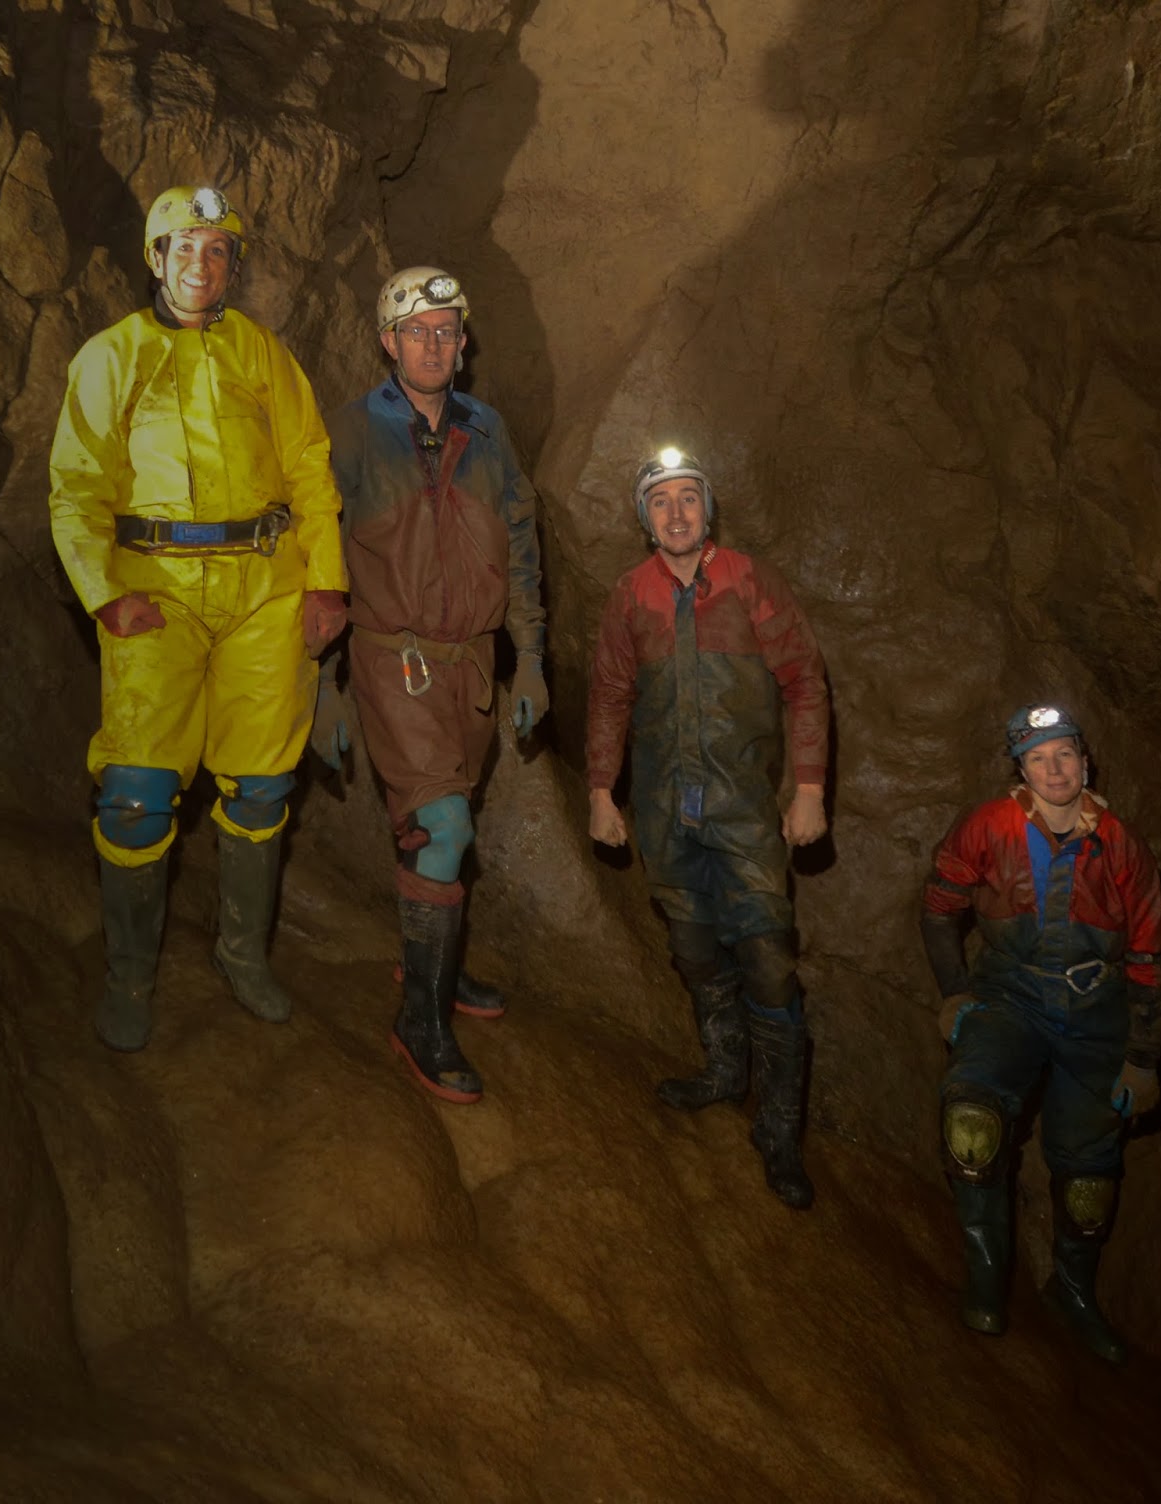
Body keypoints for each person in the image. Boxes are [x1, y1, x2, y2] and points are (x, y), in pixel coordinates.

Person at [49, 185, 347, 1052]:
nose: (201, 265)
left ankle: (242, 957)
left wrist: (325, 584)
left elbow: (309, 468)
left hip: (264, 588)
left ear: (232, 268)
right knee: (139, 797)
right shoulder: (112, 357)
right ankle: (130, 973)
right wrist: (106, 593)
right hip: (158, 590)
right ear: (156, 258)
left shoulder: (263, 354)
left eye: (217, 251)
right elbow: (76, 487)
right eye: (184, 248)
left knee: (260, 788)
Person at [317, 265, 546, 1105]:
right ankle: (420, 1018)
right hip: (392, 656)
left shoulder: (487, 431)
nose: (434, 344)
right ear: (388, 342)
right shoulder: (348, 431)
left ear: (463, 342)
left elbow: (520, 543)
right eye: (418, 331)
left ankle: (434, 973)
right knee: (440, 828)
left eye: (448, 331)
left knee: (447, 828)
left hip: (474, 665)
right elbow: (314, 556)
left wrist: (534, 658)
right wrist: (321, 681)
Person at [586, 447, 830, 1209]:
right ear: (644, 519)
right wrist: (600, 792)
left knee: (767, 957)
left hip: (744, 811)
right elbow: (609, 696)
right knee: (694, 948)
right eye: (661, 502)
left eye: (688, 498)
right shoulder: (631, 597)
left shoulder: (750, 581)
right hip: (666, 812)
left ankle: (781, 1132)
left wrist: (809, 790)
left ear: (709, 509)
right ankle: (725, 1074)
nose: (677, 512)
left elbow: (803, 683)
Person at [918, 705, 1161, 1362]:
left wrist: (1142, 1060)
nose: (1054, 769)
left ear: (1085, 763)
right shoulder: (989, 827)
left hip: (1097, 1012)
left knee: (1089, 1179)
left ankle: (1071, 1291)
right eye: (1039, 758)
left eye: (1064, 755)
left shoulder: (1122, 845)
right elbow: (939, 906)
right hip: (1013, 995)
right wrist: (954, 993)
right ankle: (986, 1278)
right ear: (1021, 771)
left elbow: (1148, 958)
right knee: (971, 1117)